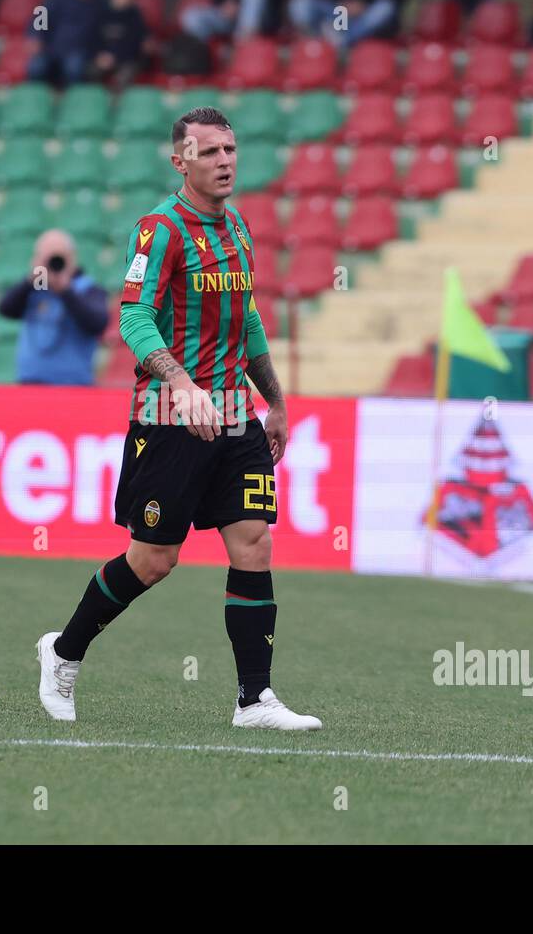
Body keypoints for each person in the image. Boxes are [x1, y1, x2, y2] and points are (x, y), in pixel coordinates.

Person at [34, 107, 322, 731]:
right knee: (154, 560)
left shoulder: (238, 229)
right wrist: (183, 383)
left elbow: (246, 323)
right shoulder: (159, 230)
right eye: (210, 152)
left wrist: (274, 402)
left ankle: (255, 699)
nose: (224, 161)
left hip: (236, 419)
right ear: (181, 160)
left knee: (253, 541)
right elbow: (133, 318)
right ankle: (63, 652)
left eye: (231, 150)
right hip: (170, 416)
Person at [0, 229, 109, 386]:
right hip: (31, 383)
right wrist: (32, 277)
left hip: (74, 387)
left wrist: (66, 291)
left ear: (72, 258)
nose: (53, 265)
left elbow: (98, 323)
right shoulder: (33, 289)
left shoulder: (87, 289)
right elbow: (5, 308)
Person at [26, 0, 106, 88]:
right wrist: (35, 37)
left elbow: (104, 31)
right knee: (36, 68)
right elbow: (41, 17)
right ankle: (36, 100)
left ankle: (72, 102)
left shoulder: (99, 4)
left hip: (79, 51)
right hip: (50, 48)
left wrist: (102, 51)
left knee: (73, 69)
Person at [288, 0, 412, 48]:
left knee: (385, 7)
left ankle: (339, 41)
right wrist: (340, 1)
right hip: (337, 9)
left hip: (367, 13)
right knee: (300, 3)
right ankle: (330, 39)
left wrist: (364, 3)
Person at [180, 0, 291, 41]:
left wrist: (239, 2)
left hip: (262, 20)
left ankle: (244, 42)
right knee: (191, 16)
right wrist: (224, 5)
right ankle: (203, 55)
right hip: (230, 19)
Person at [90, 0, 148, 89]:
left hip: (125, 59)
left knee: (124, 76)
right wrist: (99, 55)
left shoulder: (135, 17)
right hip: (101, 57)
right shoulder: (100, 13)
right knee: (90, 72)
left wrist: (115, 57)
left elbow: (134, 44)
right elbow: (92, 39)